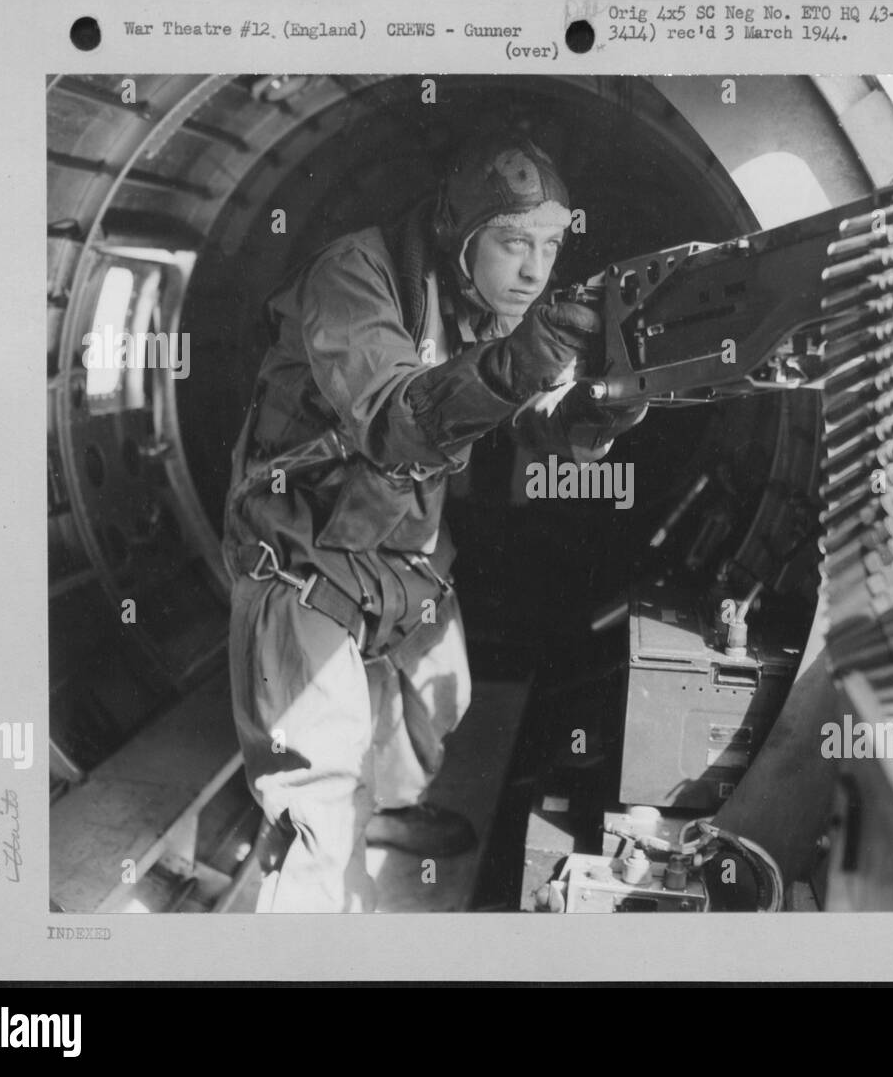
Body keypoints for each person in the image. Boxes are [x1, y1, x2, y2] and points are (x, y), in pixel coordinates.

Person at [222, 130, 648, 912]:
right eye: (514, 242)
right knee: (317, 780)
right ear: (461, 237)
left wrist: (604, 405)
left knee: (436, 702)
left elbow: (531, 422)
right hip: (299, 547)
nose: (534, 269)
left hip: (403, 548)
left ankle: (386, 813)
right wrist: (524, 357)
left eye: (550, 246)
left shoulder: (488, 306)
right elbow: (394, 422)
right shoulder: (355, 277)